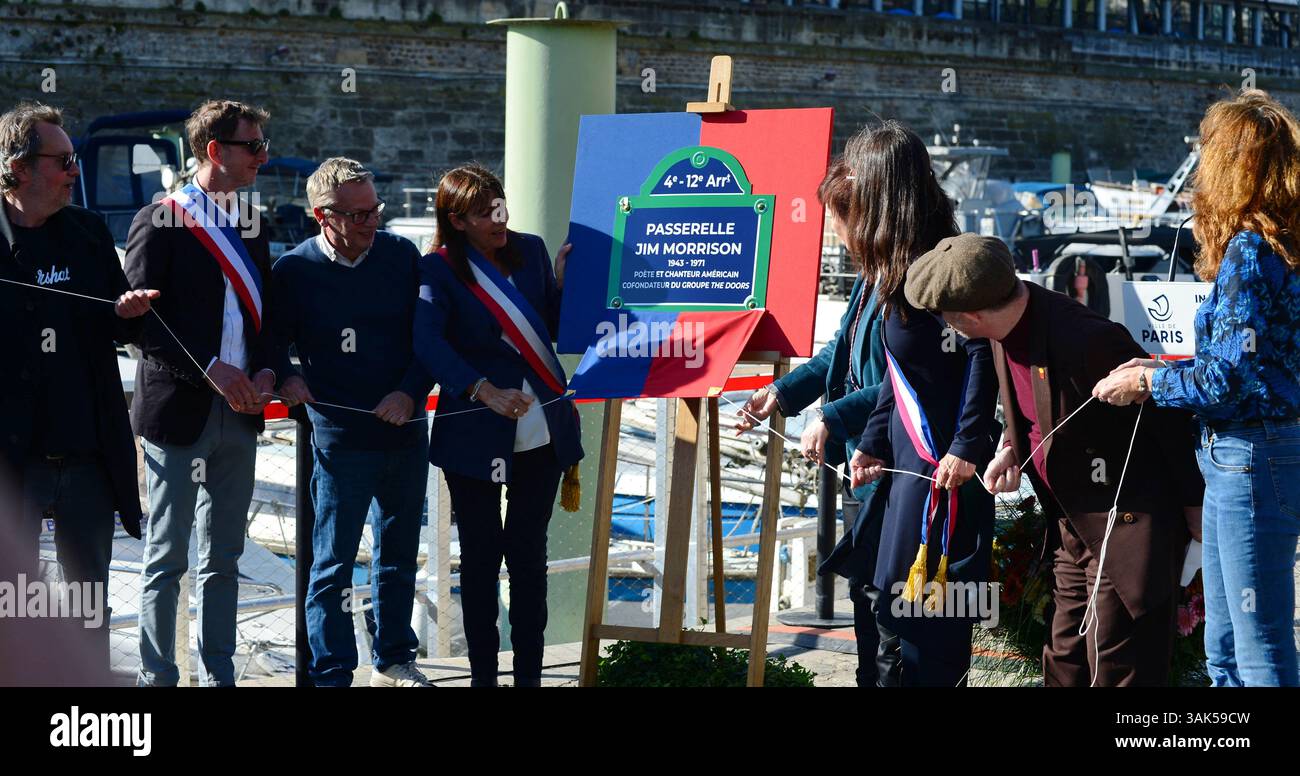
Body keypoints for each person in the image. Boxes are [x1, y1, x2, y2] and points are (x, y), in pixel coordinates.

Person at [909, 233, 1204, 686]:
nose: (952, 330)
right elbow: (1033, 410)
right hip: (1071, 525)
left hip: (1125, 525)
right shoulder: (1006, 321)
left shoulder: (1088, 338)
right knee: (1065, 658)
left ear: (969, 316)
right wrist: (1013, 448)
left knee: (1116, 662)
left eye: (950, 321)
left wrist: (1194, 512)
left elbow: (1168, 420)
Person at [1094, 89, 1300, 687]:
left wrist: (1148, 380)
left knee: (1249, 649)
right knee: (1231, 644)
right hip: (1258, 454)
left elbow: (1225, 379)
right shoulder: (1284, 247)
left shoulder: (1248, 252)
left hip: (1246, 458)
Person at [125, 99, 277, 687]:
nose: (263, 157)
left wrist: (265, 372)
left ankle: (219, 674)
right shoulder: (159, 218)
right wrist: (211, 367)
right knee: (166, 558)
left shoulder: (254, 221)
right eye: (253, 147)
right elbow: (142, 323)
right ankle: (157, 677)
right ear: (215, 152)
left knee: (226, 559)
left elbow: (269, 315)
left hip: (242, 411)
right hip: (180, 411)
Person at [413, 163, 583, 687]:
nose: (499, 218)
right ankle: (483, 676)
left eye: (500, 205)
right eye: (485, 212)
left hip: (542, 429)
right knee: (482, 558)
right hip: (475, 429)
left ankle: (529, 675)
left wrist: (559, 282)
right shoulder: (437, 269)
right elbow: (428, 343)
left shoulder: (530, 250)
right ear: (457, 220)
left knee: (529, 555)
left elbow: (551, 329)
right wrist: (481, 389)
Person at [0, 102, 156, 669]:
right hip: (13, 458)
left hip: (86, 451)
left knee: (89, 602)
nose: (74, 171)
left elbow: (115, 320)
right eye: (63, 160)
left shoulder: (87, 232)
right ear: (18, 168)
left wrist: (131, 311)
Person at [270, 158, 435, 687]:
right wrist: (288, 379)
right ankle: (333, 671)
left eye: (375, 211)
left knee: (399, 553)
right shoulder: (294, 271)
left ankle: (393, 659)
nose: (371, 223)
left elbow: (429, 339)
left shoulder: (400, 255)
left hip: (405, 432)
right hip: (339, 439)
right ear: (324, 215)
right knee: (332, 563)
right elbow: (271, 342)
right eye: (359, 215)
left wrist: (409, 393)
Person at [846, 121, 1000, 687]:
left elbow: (984, 352)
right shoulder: (896, 264)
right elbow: (898, 373)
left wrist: (967, 444)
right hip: (908, 460)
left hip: (947, 468)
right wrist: (869, 441)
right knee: (892, 602)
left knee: (932, 614)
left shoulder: (943, 260)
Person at [736, 157, 891, 687]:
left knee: (891, 607)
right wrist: (778, 394)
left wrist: (833, 414)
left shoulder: (906, 278)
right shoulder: (870, 276)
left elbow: (905, 379)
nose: (835, 234)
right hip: (860, 465)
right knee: (867, 594)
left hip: (893, 461)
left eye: (838, 221)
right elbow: (839, 354)